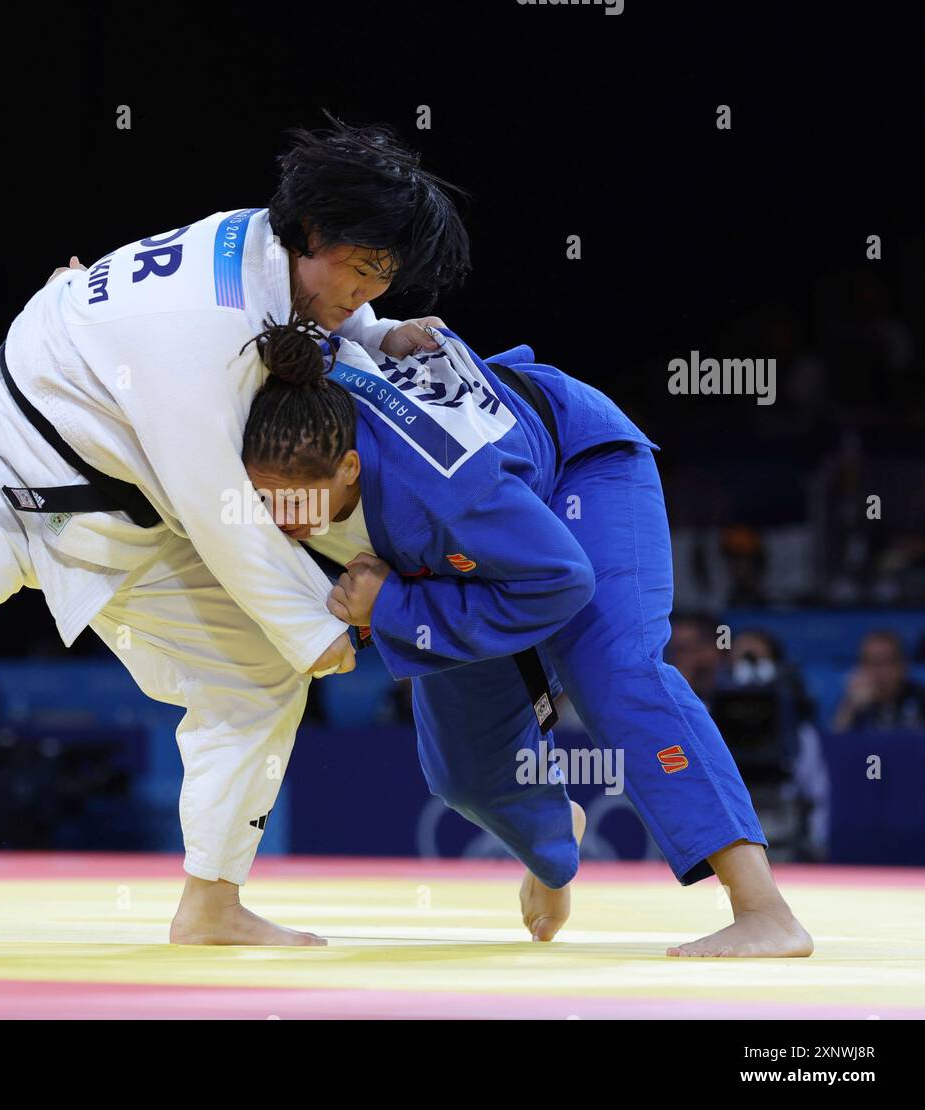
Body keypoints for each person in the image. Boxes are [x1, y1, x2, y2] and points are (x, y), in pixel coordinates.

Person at [0, 117, 473, 946]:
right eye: (364, 273)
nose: (366, 293)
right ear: (312, 233)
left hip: (119, 509)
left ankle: (212, 903)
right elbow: (220, 510)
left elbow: (294, 331)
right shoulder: (208, 324)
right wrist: (317, 623)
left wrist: (372, 331)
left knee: (259, 672)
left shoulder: (258, 247)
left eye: (382, 279)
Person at [240, 314, 813, 957]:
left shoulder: (443, 490)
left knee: (615, 673)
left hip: (574, 471)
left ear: (348, 468)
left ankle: (764, 909)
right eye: (264, 501)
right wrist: (385, 330)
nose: (281, 520)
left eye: (297, 504)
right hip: (461, 541)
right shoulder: (284, 420)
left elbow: (561, 583)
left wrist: (393, 605)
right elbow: (321, 324)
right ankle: (550, 840)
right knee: (465, 773)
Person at [833, 629, 925, 732]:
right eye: (872, 663)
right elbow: (835, 742)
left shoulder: (920, 698)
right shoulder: (854, 704)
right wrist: (850, 707)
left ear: (903, 666)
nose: (879, 672)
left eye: (887, 662)